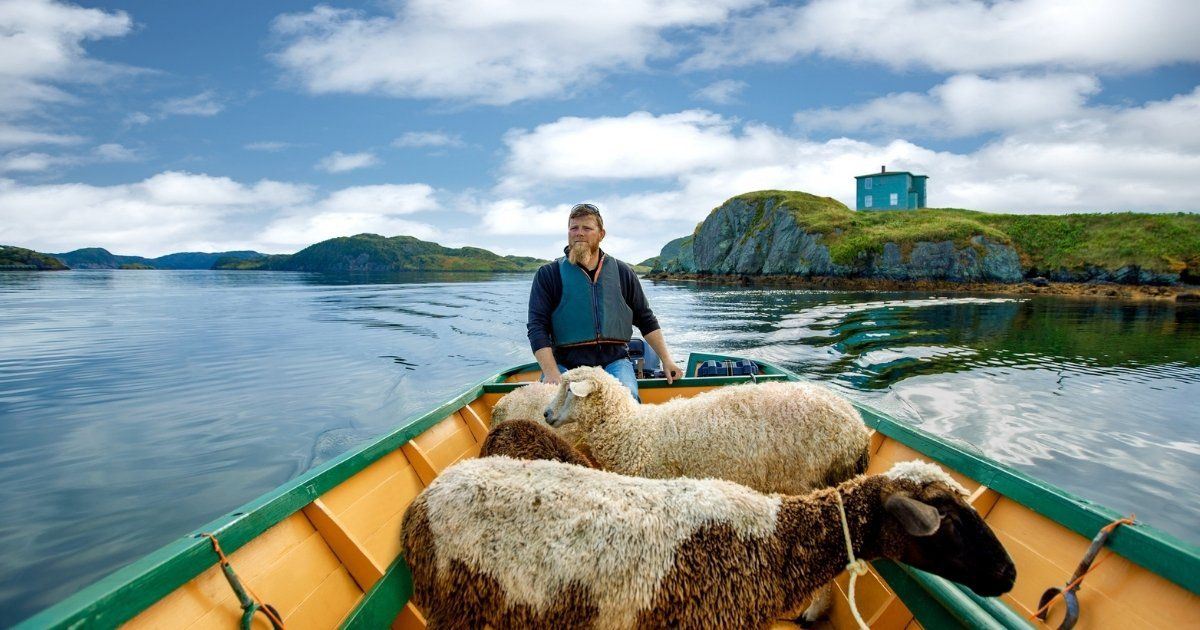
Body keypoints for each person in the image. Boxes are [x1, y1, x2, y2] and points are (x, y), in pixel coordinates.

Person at [527, 203, 681, 400]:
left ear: (601, 234)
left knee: (627, 400)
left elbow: (645, 319)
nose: (579, 233)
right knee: (551, 404)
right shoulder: (548, 274)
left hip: (614, 361)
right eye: (574, 228)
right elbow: (537, 327)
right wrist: (550, 372)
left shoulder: (623, 272)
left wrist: (667, 360)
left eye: (587, 228)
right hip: (565, 362)